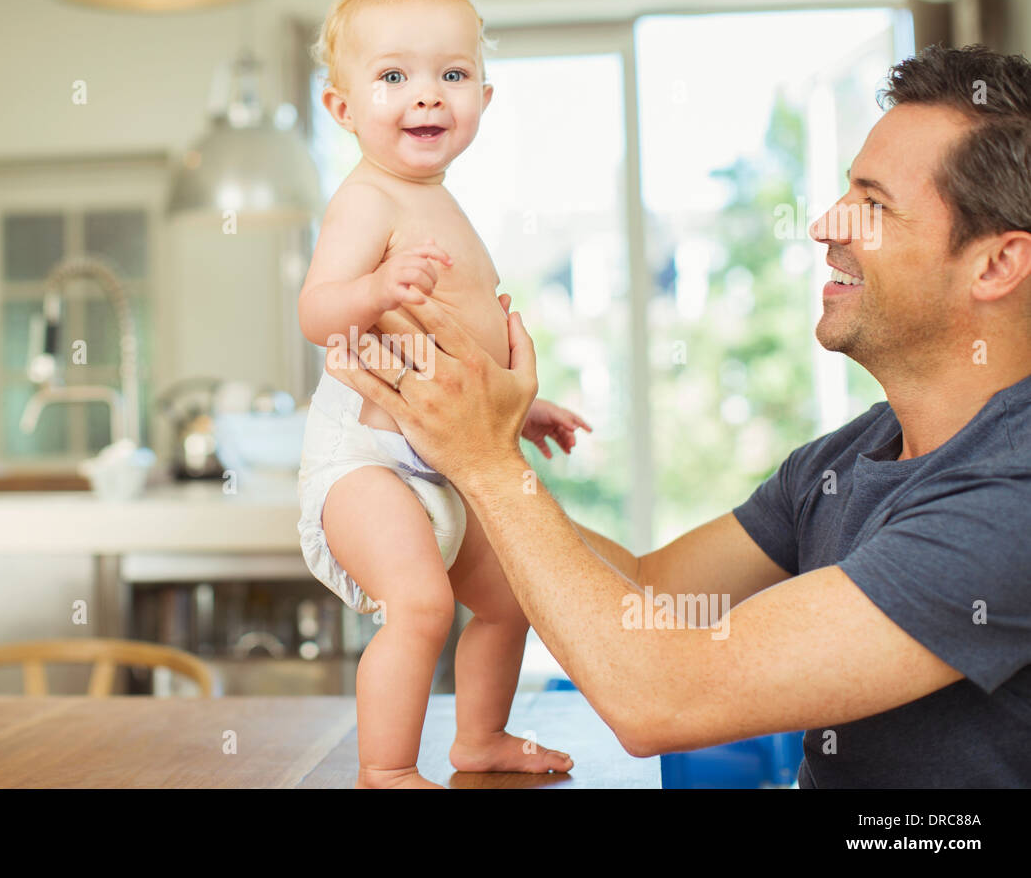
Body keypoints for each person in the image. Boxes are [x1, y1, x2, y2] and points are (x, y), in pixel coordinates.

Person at [336, 44, 1031, 787]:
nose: (825, 224)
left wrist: (486, 463)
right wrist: (430, 474)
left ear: (995, 264)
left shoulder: (1010, 499)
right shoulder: (851, 457)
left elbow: (664, 697)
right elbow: (650, 590)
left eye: (873, 204)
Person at [296, 0, 591, 788]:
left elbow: (462, 343)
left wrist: (520, 411)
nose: (428, 94)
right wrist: (373, 289)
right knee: (421, 607)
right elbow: (318, 313)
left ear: (483, 101)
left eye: (452, 74)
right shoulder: (368, 199)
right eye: (394, 75)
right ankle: (386, 769)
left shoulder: (443, 198)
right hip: (367, 464)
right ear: (342, 108)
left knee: (509, 599)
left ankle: (479, 741)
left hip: (452, 459)